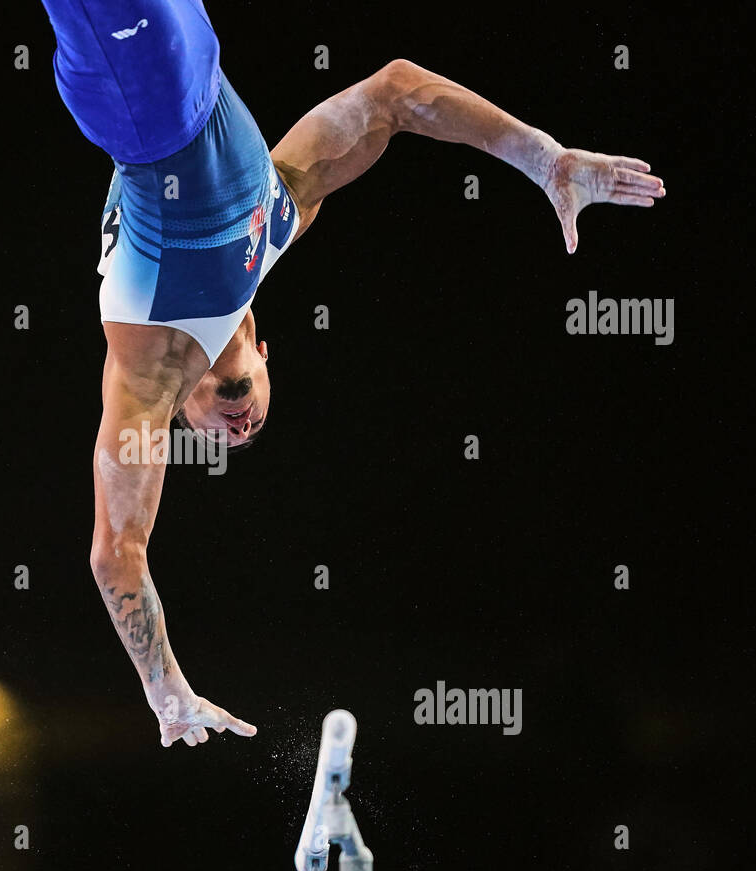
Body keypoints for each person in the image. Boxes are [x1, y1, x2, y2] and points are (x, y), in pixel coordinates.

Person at [40, 0, 665, 747]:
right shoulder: (281, 214)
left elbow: (117, 552)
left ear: (180, 415)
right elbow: (395, 93)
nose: (237, 429)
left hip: (142, 102)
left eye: (216, 433)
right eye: (255, 426)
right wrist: (544, 158)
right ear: (268, 360)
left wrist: (165, 688)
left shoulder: (151, 366)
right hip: (193, 52)